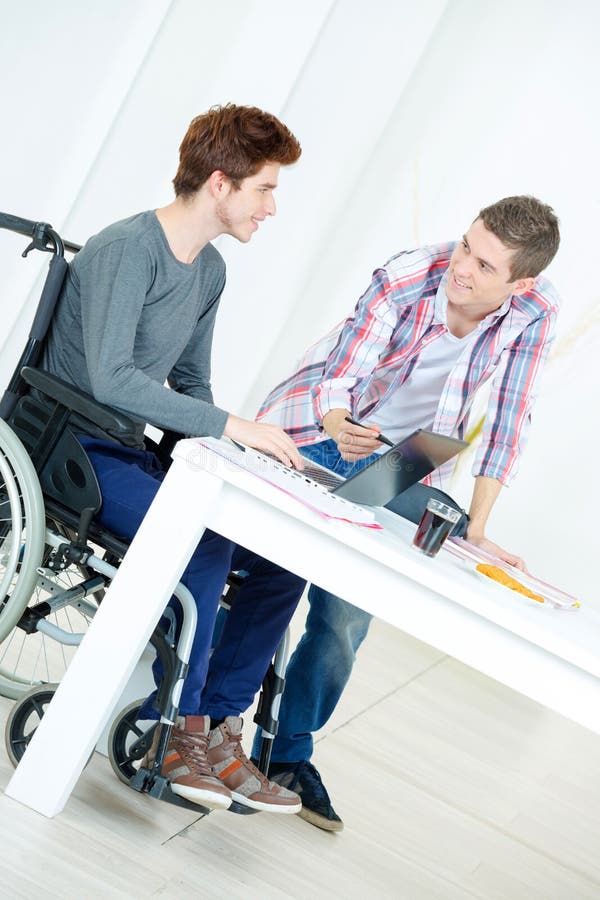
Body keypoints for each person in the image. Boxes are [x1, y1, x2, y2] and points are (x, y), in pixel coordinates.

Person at [250, 195, 561, 830]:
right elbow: (340, 374)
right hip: (316, 430)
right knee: (264, 578)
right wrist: (341, 426)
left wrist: (477, 528)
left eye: (485, 265)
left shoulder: (536, 311)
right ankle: (202, 718)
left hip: (403, 467)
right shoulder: (408, 275)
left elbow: (509, 416)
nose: (464, 268)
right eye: (467, 245)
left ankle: (285, 754)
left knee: (344, 621)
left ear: (521, 283)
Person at [42, 104, 308, 814]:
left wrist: (236, 455)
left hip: (131, 452)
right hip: (75, 448)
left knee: (281, 559)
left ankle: (219, 730)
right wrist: (232, 425)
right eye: (266, 189)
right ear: (220, 184)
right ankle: (177, 734)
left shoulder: (209, 271)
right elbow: (110, 379)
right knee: (203, 546)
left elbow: (189, 384)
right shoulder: (130, 248)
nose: (273, 207)